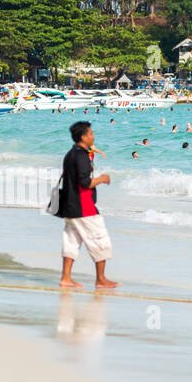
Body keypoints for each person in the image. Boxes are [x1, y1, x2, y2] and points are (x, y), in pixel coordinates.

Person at [55, 121, 118, 289]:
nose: (93, 136)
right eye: (90, 133)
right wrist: (102, 179)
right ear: (83, 137)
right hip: (84, 206)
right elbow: (85, 182)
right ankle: (101, 279)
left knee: (71, 241)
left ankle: (66, 278)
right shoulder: (81, 155)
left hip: (69, 206)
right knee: (100, 239)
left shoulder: (71, 154)